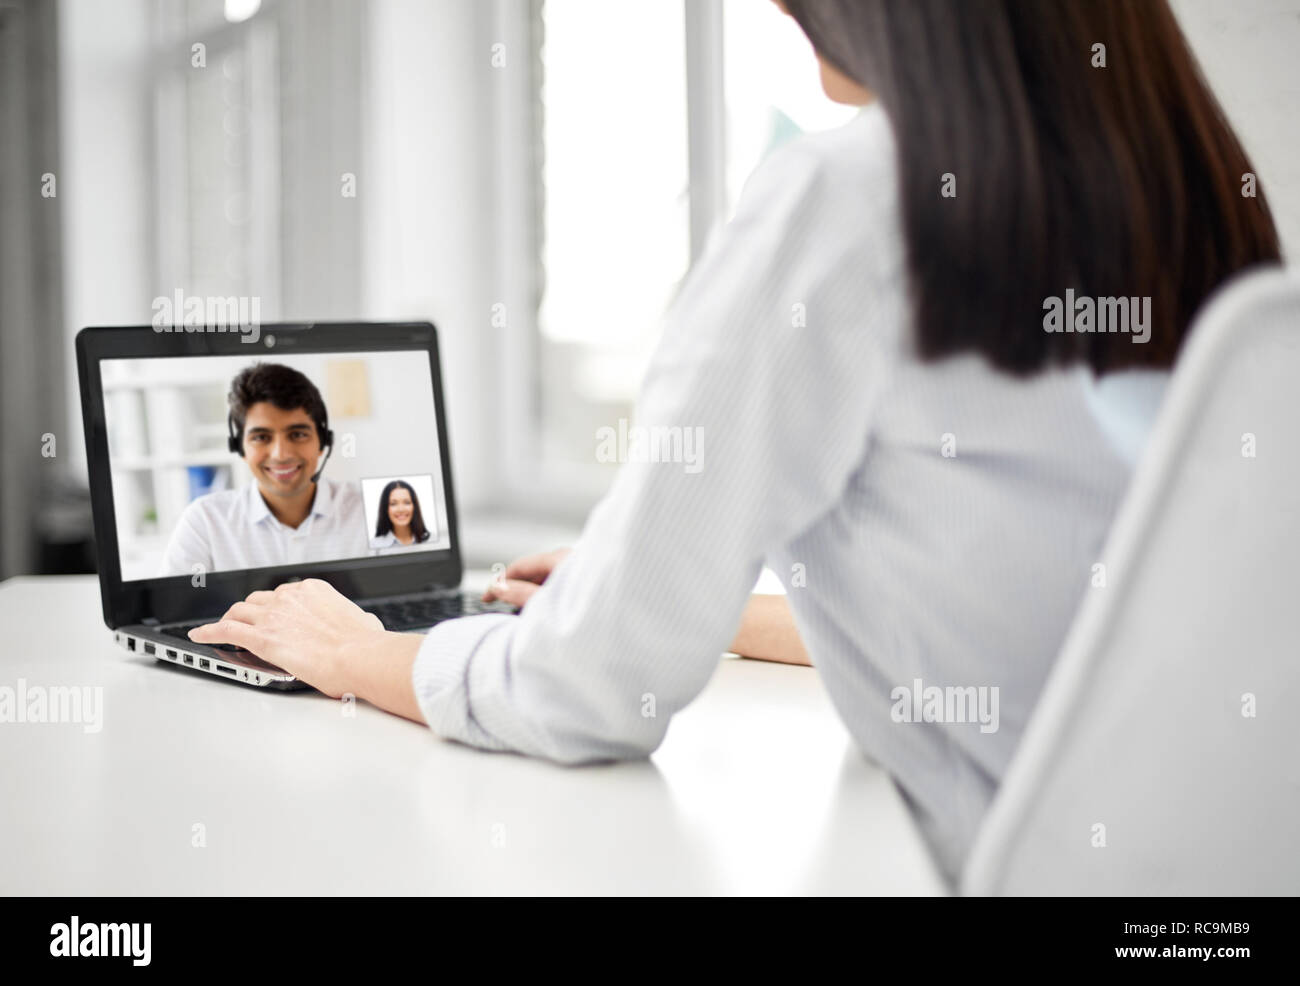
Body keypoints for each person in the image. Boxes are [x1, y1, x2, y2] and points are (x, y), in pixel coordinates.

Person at [189, 0, 1281, 886]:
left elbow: (591, 689)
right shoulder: (1186, 194)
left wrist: (347, 650)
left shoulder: (851, 192)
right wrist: (671, 585)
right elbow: (1066, 609)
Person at [160, 363, 369, 576]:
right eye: (261, 437)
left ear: (323, 442)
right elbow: (177, 607)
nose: (281, 454)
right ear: (240, 446)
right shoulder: (204, 521)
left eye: (297, 434)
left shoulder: (371, 511)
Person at [369, 479, 433, 550]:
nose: (401, 509)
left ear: (414, 506)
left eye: (407, 502)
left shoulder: (432, 540)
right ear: (386, 509)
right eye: (393, 504)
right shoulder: (374, 546)